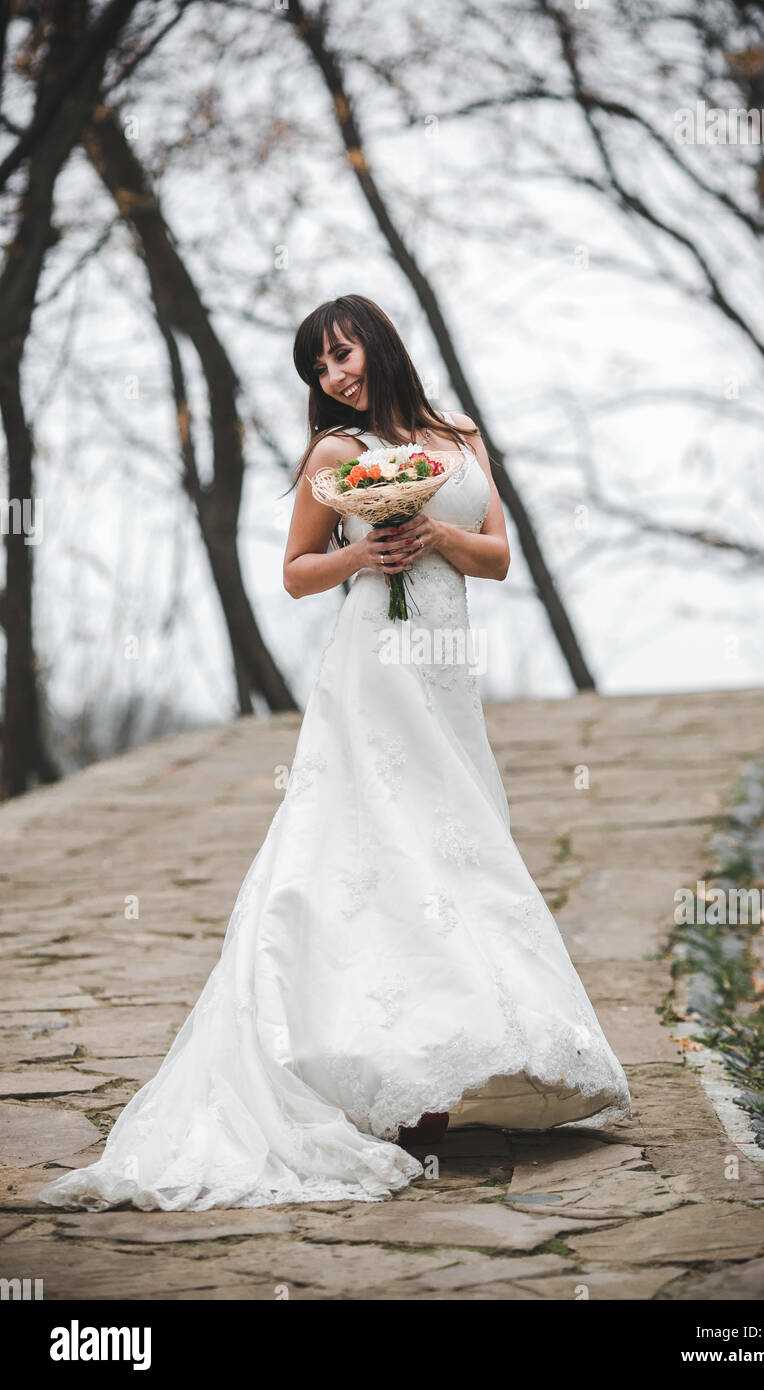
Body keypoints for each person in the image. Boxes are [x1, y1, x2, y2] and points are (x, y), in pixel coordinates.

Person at [39, 294, 631, 1212]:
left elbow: (500, 557)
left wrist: (437, 534)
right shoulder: (335, 455)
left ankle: (482, 1054)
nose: (334, 377)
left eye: (342, 355)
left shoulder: (460, 434)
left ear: (378, 346)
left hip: (446, 672)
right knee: (380, 838)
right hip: (376, 665)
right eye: (318, 368)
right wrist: (366, 556)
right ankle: (387, 1074)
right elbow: (294, 573)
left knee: (462, 837)